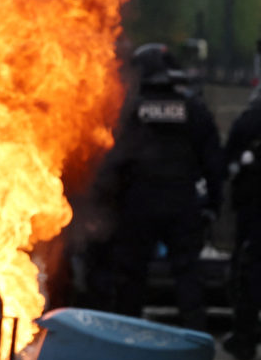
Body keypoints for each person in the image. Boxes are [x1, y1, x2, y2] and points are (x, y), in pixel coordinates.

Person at [89, 42, 224, 331]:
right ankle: (195, 335)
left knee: (131, 277)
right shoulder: (194, 110)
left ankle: (125, 334)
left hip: (138, 205)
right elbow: (214, 163)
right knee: (187, 274)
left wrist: (106, 206)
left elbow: (111, 163)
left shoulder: (127, 112)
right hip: (182, 203)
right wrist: (213, 204)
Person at [223, 85, 261, 360]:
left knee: (250, 273)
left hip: (253, 211)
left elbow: (226, 159)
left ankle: (245, 338)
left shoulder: (250, 119)